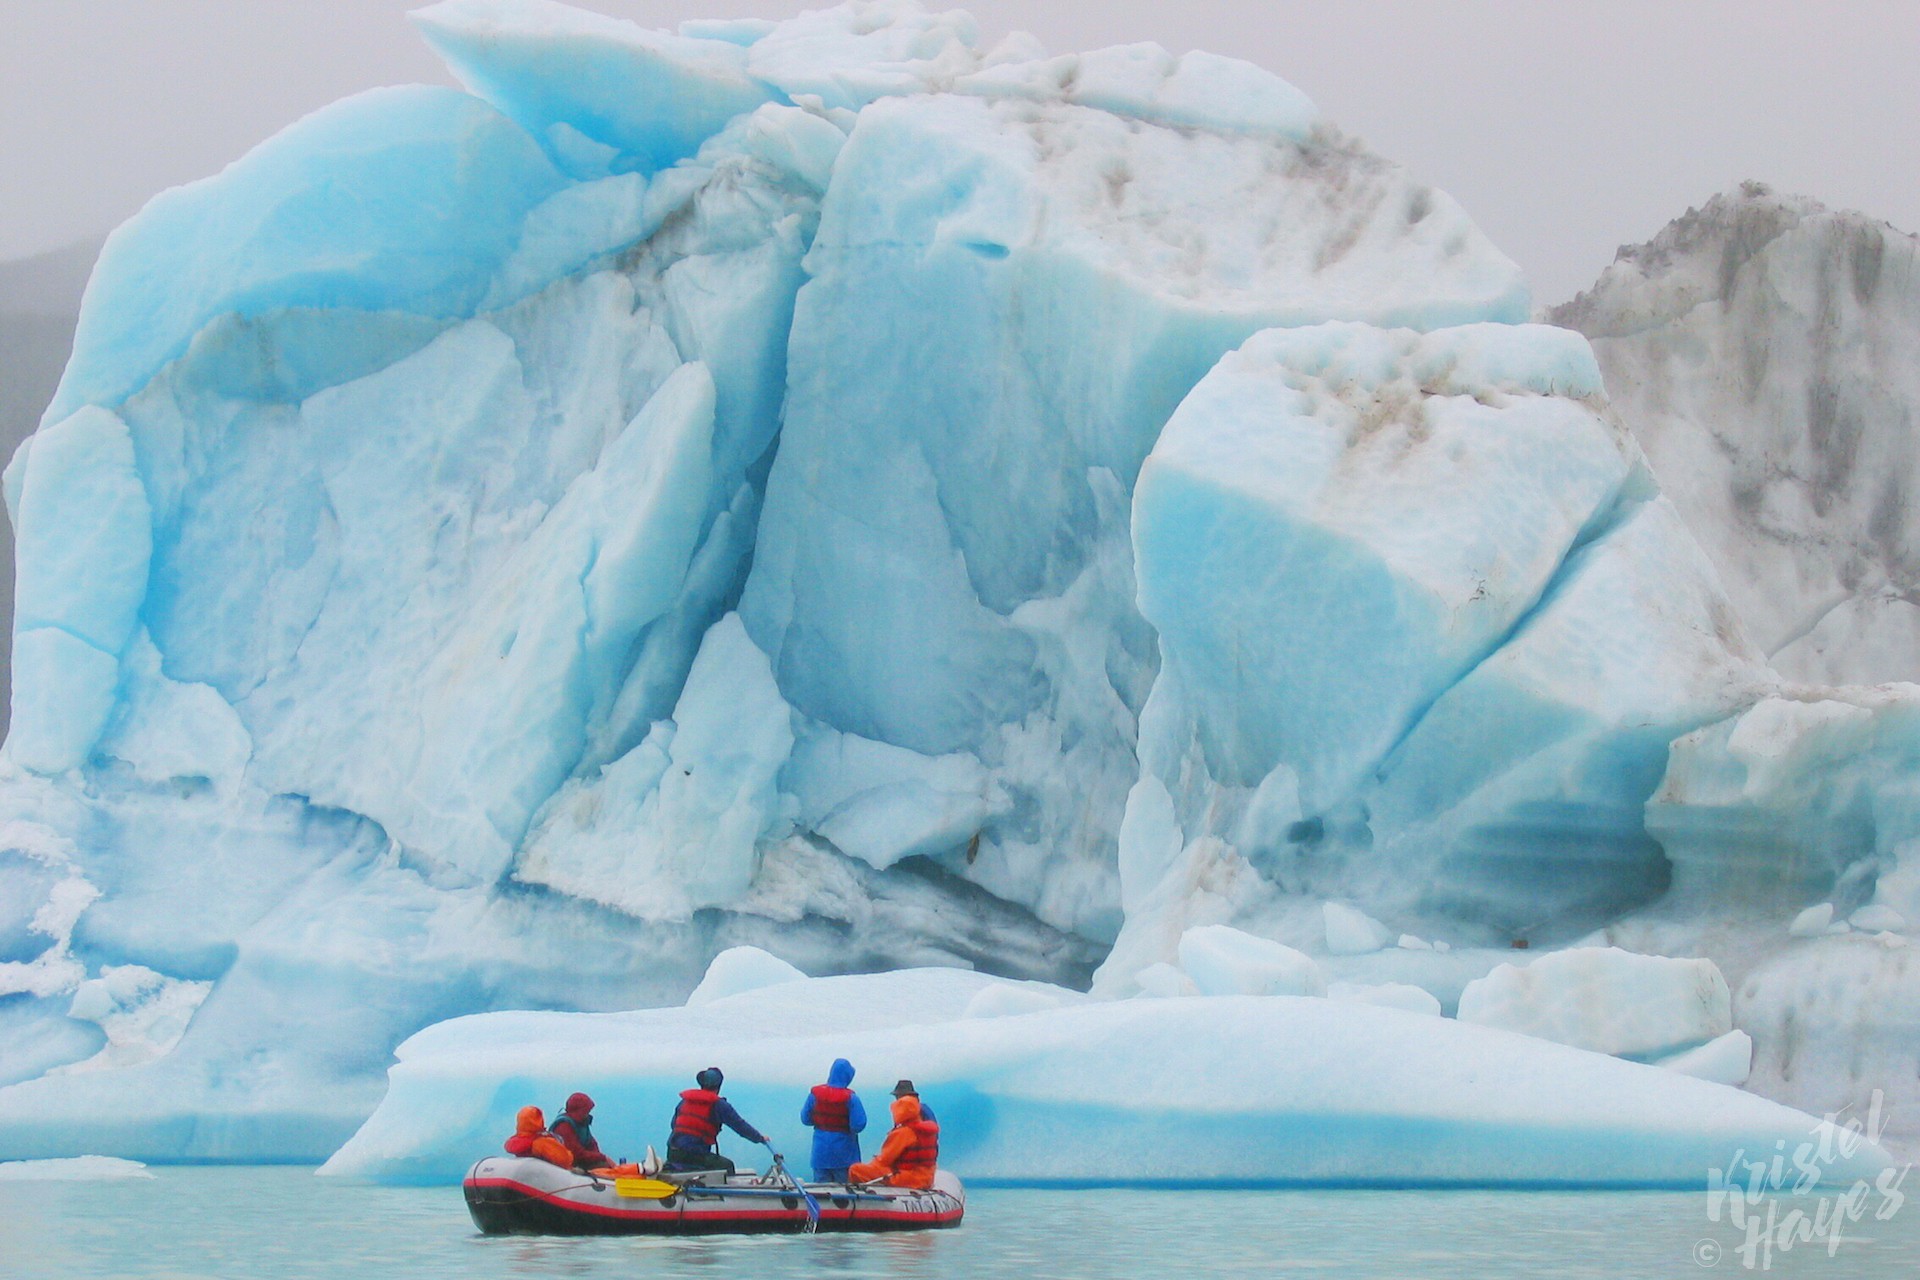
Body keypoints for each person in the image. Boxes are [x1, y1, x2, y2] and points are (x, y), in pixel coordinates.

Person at [665, 1067, 774, 1176]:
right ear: (718, 1086)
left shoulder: (685, 1101)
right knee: (727, 1166)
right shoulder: (719, 1105)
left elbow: (674, 1125)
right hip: (694, 1155)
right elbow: (740, 1126)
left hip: (673, 1153)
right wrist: (760, 1138)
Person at [848, 1091, 939, 1190]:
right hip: (927, 1178)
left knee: (856, 1169)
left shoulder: (903, 1132)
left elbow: (884, 1161)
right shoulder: (929, 1131)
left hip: (908, 1178)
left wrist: (871, 1167)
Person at [801, 1058, 867, 1182]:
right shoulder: (851, 1098)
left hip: (820, 1154)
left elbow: (805, 1119)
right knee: (846, 1190)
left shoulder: (814, 1094)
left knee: (821, 1190)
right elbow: (858, 1125)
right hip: (845, 1155)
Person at [549, 1092, 613, 1170]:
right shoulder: (564, 1126)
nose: (587, 1114)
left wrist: (598, 1157)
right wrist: (602, 1157)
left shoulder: (581, 1123)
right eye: (585, 1111)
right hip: (568, 1164)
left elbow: (591, 1144)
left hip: (581, 1161)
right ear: (579, 1111)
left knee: (605, 1166)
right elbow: (576, 1153)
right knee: (604, 1167)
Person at [502, 1105, 573, 1170]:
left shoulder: (514, 1142)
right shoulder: (541, 1143)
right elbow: (565, 1160)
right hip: (545, 1176)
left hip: (524, 1174)